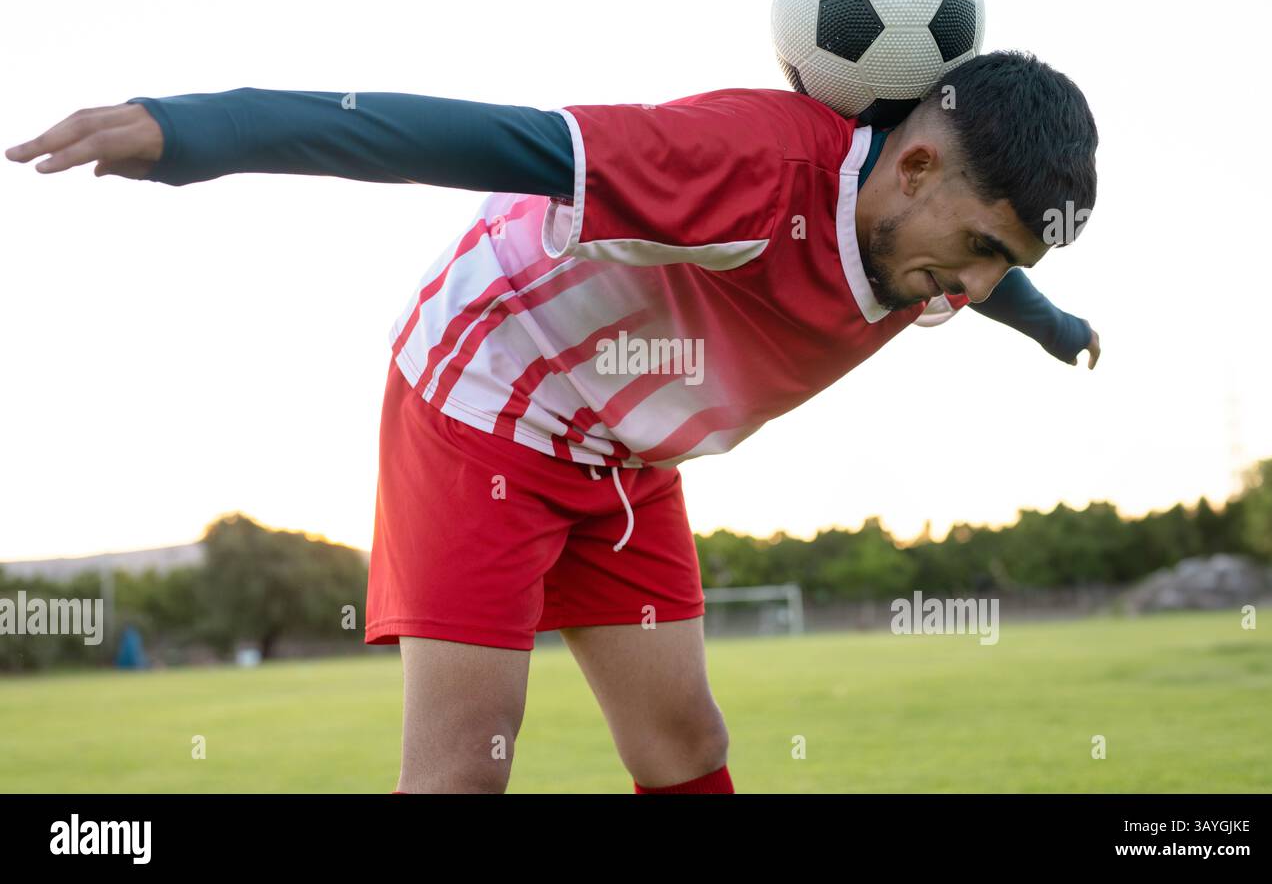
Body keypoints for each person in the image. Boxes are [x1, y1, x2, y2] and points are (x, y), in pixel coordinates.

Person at [5, 50, 1100, 794]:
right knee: (465, 769)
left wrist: (1048, 320)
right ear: (910, 165)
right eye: (982, 252)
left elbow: (984, 270)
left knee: (683, 745)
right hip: (483, 402)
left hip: (621, 453)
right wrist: (202, 128)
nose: (972, 284)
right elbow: (479, 140)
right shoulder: (744, 165)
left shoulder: (925, 247)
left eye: (1002, 263)